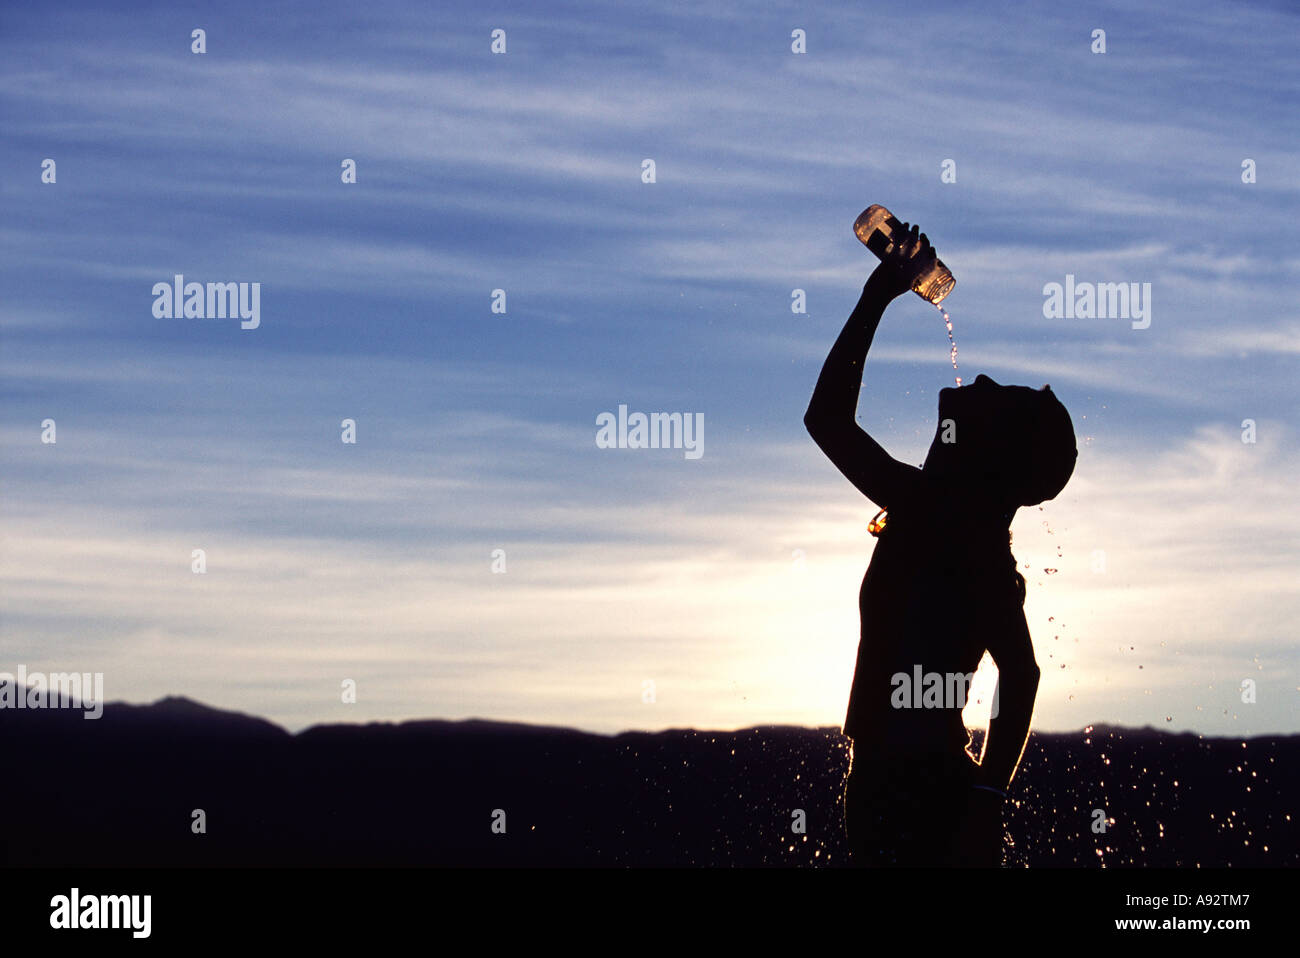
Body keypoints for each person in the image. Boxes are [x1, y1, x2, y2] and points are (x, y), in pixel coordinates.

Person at [803, 222, 1077, 866]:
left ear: (994, 456)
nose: (978, 381)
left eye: (999, 399)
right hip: (919, 790)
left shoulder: (948, 524)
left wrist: (878, 296)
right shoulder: (948, 518)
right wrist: (982, 793)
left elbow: (826, 421)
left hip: (913, 797)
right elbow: (1022, 672)